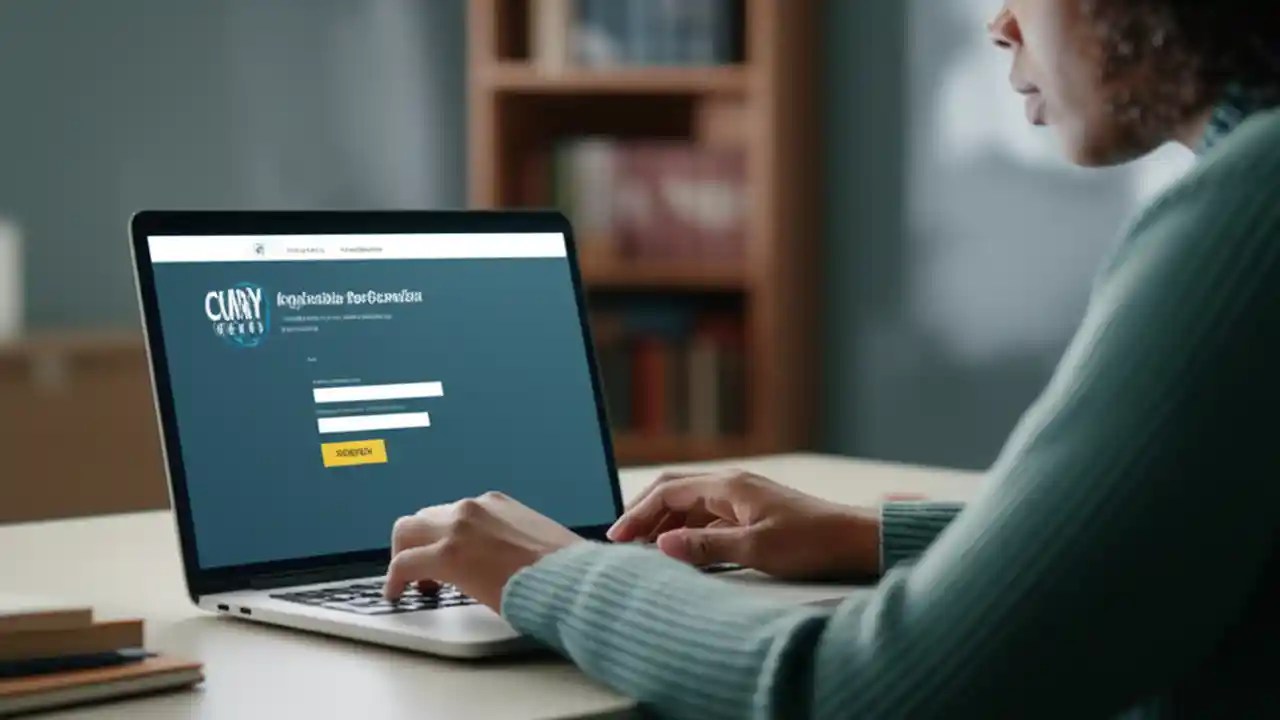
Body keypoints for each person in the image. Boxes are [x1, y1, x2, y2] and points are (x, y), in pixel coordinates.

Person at [383, 2, 1280, 717]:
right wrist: (867, 538)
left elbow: (866, 690)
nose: (1000, 23)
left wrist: (557, 574)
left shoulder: (1252, 206)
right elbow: (1192, 528)